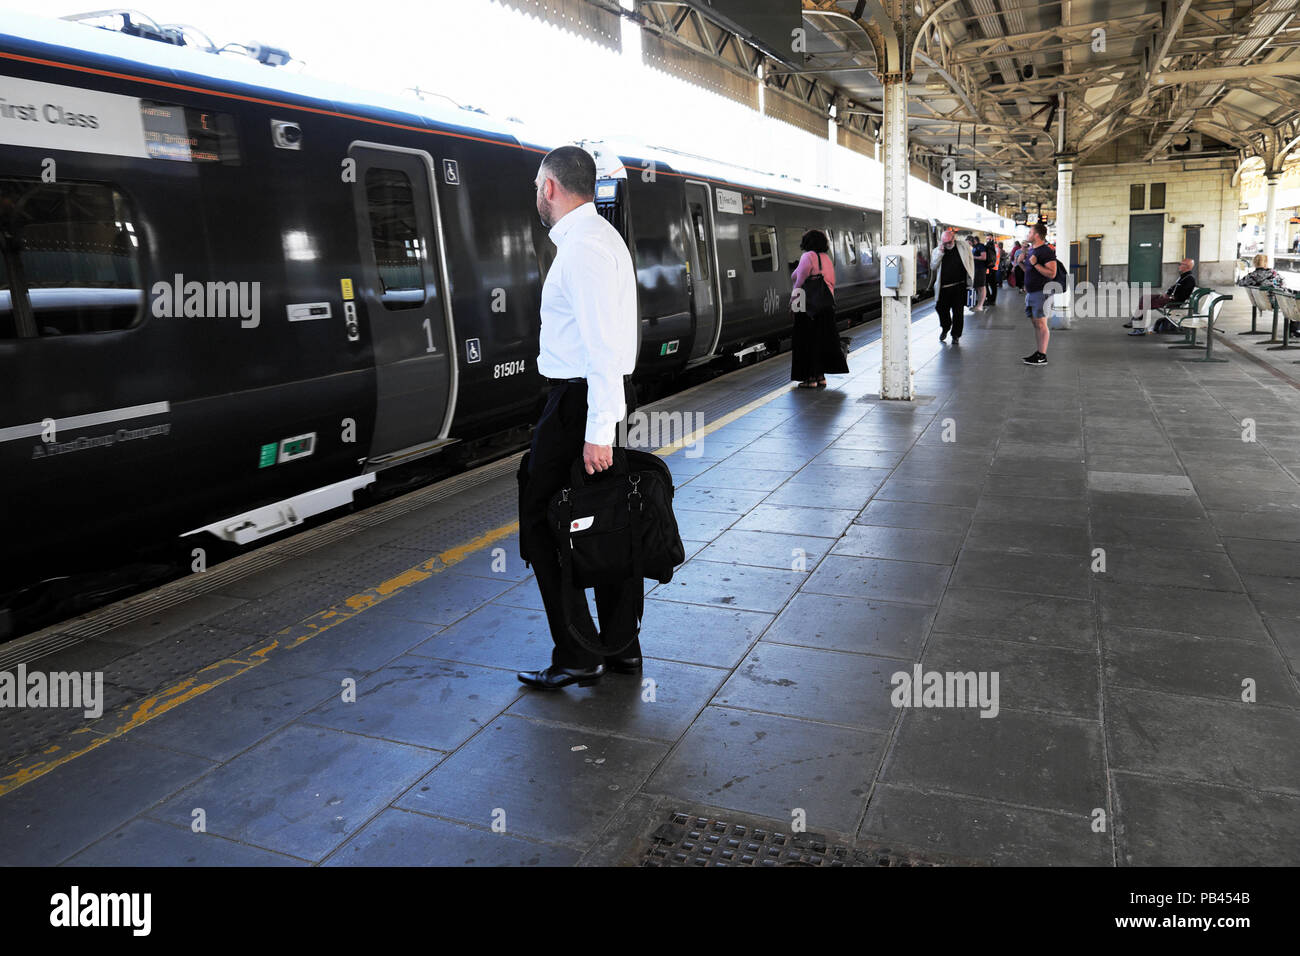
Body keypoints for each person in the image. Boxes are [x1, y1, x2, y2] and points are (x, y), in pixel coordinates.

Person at [516, 145, 641, 691]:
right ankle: (619, 646)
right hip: (592, 401)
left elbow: (602, 348)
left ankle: (578, 652)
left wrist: (597, 432)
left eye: (536, 187)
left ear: (549, 187)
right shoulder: (599, 238)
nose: (536, 197)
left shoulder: (584, 248)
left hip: (578, 403)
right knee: (606, 520)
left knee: (543, 522)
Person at [789, 229, 847, 388]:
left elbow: (799, 282)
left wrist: (793, 304)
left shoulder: (807, 257)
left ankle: (809, 379)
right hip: (826, 307)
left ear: (807, 242)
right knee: (821, 342)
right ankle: (821, 377)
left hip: (808, 308)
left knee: (806, 342)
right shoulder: (826, 258)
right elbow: (831, 283)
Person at [1125, 258, 1196, 334]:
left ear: (1187, 267)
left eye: (1181, 264)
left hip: (1174, 301)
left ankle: (1138, 326)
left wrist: (1170, 297)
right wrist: (1166, 293)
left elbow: (1183, 296)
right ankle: (1136, 321)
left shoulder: (1189, 279)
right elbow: (1173, 288)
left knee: (1144, 304)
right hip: (1169, 297)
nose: (1179, 266)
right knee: (1145, 297)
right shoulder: (1183, 276)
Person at [930, 227, 974, 343]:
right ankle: (946, 327)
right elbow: (933, 266)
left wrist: (971, 281)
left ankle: (956, 335)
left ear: (954, 239)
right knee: (940, 309)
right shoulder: (937, 250)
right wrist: (940, 253)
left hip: (959, 286)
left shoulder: (963, 246)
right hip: (944, 288)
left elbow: (970, 262)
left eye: (949, 242)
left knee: (958, 312)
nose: (947, 245)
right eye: (945, 243)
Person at [1022, 221, 1057, 365]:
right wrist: (1020, 263)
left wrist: (1035, 264)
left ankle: (1042, 355)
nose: (1028, 234)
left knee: (1042, 324)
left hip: (1042, 292)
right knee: (1036, 323)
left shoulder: (1046, 251)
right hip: (1032, 292)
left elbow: (1052, 273)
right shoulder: (1032, 250)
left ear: (1037, 235)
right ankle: (1039, 352)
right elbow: (1031, 271)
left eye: (1030, 232)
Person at [1239, 253, 1298, 336]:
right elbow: (1283, 284)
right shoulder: (1273, 273)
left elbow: (1241, 283)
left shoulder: (1250, 276)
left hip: (1263, 301)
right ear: (1266, 263)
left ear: (1255, 263)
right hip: (1277, 301)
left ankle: (1294, 330)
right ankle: (1294, 329)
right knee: (1296, 302)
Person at [970, 234, 988, 311]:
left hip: (981, 269)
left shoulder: (981, 246)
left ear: (974, 241)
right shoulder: (975, 247)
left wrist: (973, 257)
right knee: (978, 287)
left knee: (982, 287)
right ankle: (978, 304)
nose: (970, 244)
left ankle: (980, 305)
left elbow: (984, 257)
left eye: (970, 242)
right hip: (976, 269)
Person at [984, 234, 1001, 306]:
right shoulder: (986, 245)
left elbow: (997, 258)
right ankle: (989, 297)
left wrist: (995, 268)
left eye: (989, 238)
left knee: (993, 284)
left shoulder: (996, 246)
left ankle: (992, 300)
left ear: (992, 239)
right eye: (987, 238)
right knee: (985, 283)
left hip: (992, 268)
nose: (988, 240)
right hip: (987, 268)